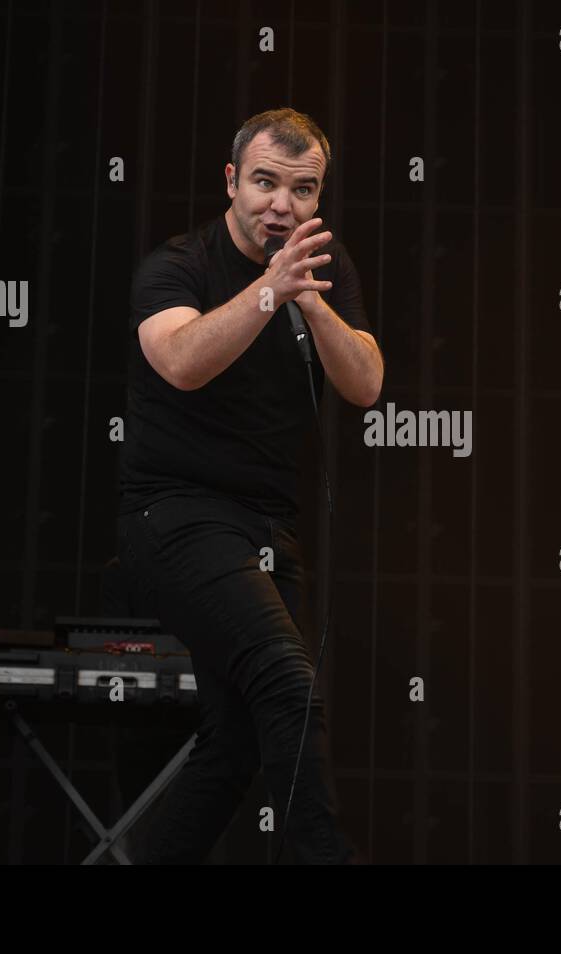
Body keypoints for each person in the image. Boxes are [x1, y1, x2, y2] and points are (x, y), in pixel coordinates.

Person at [115, 107, 383, 863]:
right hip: (170, 516)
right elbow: (180, 361)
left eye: (302, 191)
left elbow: (365, 384)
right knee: (288, 684)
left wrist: (308, 300)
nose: (281, 206)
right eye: (265, 183)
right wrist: (268, 289)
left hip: (266, 526)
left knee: (235, 744)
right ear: (233, 181)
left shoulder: (321, 272)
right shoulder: (179, 264)